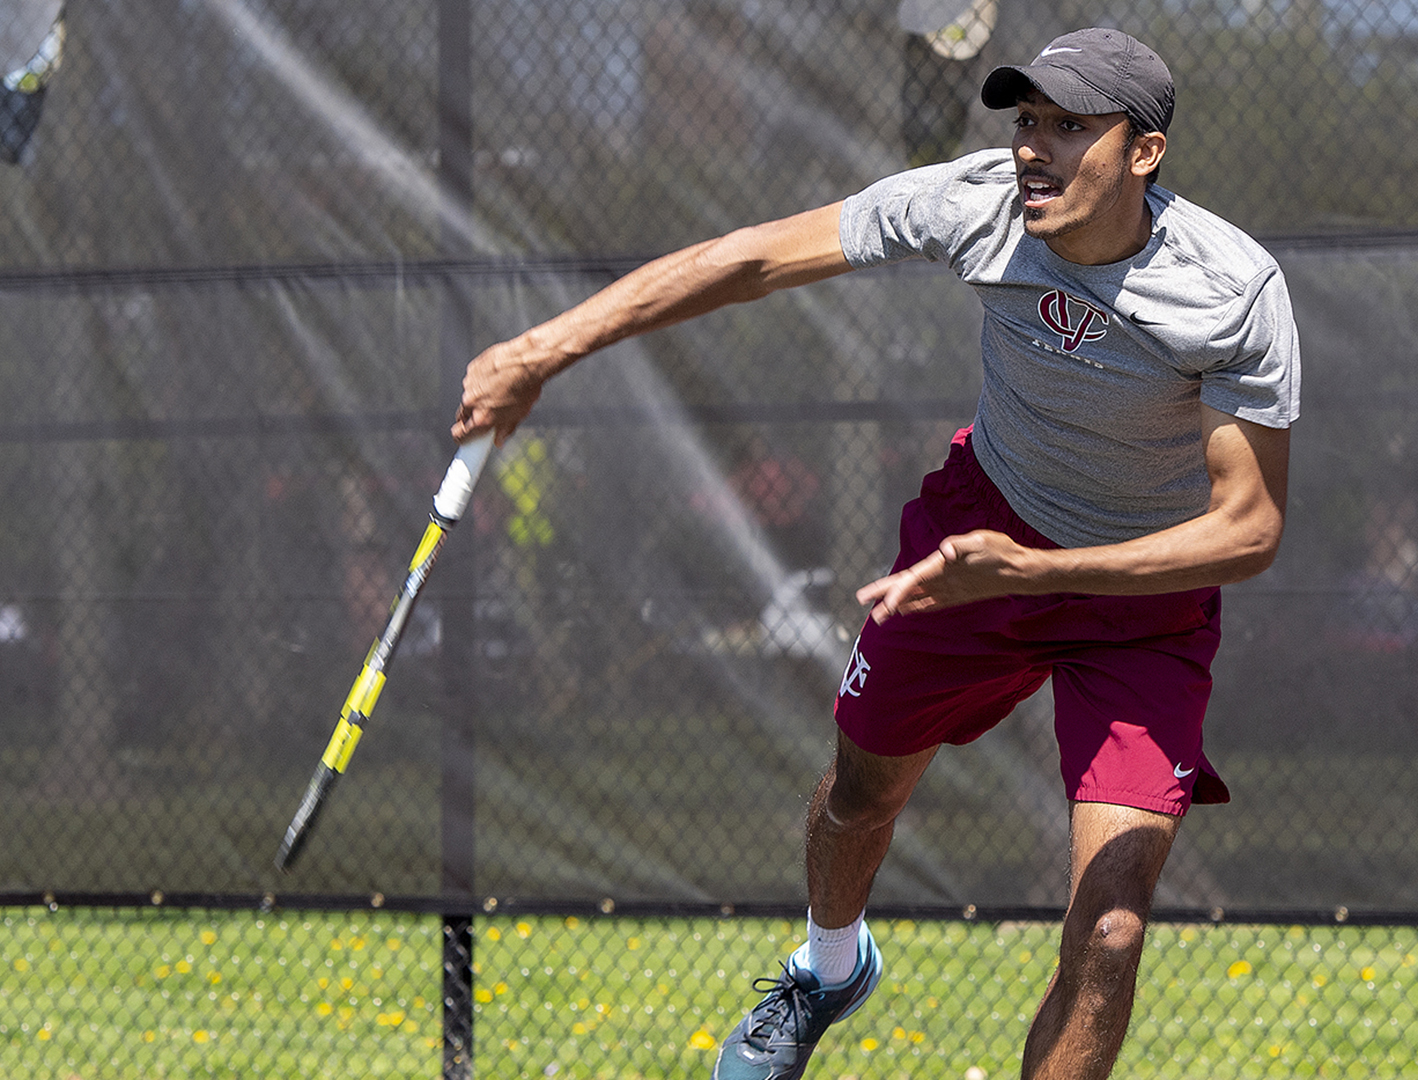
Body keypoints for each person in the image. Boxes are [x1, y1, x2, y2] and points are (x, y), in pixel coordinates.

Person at [453, 27, 1298, 1080]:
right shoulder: (974, 201)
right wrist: (543, 348)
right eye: (1026, 119)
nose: (1035, 147)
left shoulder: (1233, 289)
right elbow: (753, 256)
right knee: (860, 794)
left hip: (1145, 597)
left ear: (1145, 153)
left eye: (1071, 126)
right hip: (976, 532)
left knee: (1112, 928)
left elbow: (1247, 529)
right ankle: (828, 966)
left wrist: (1033, 572)